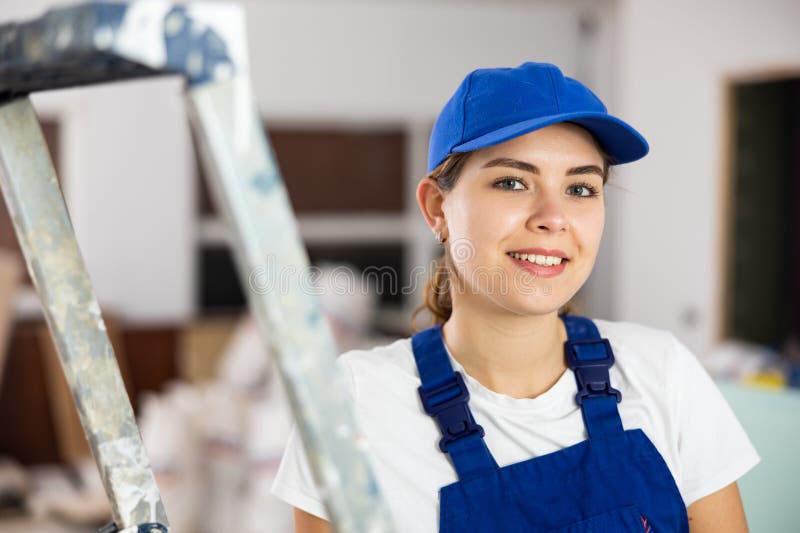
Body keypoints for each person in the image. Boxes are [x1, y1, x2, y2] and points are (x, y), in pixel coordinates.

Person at [271, 62, 760, 532]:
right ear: (437, 207)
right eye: (512, 182)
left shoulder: (663, 374)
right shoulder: (351, 405)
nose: (553, 216)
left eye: (581, 188)